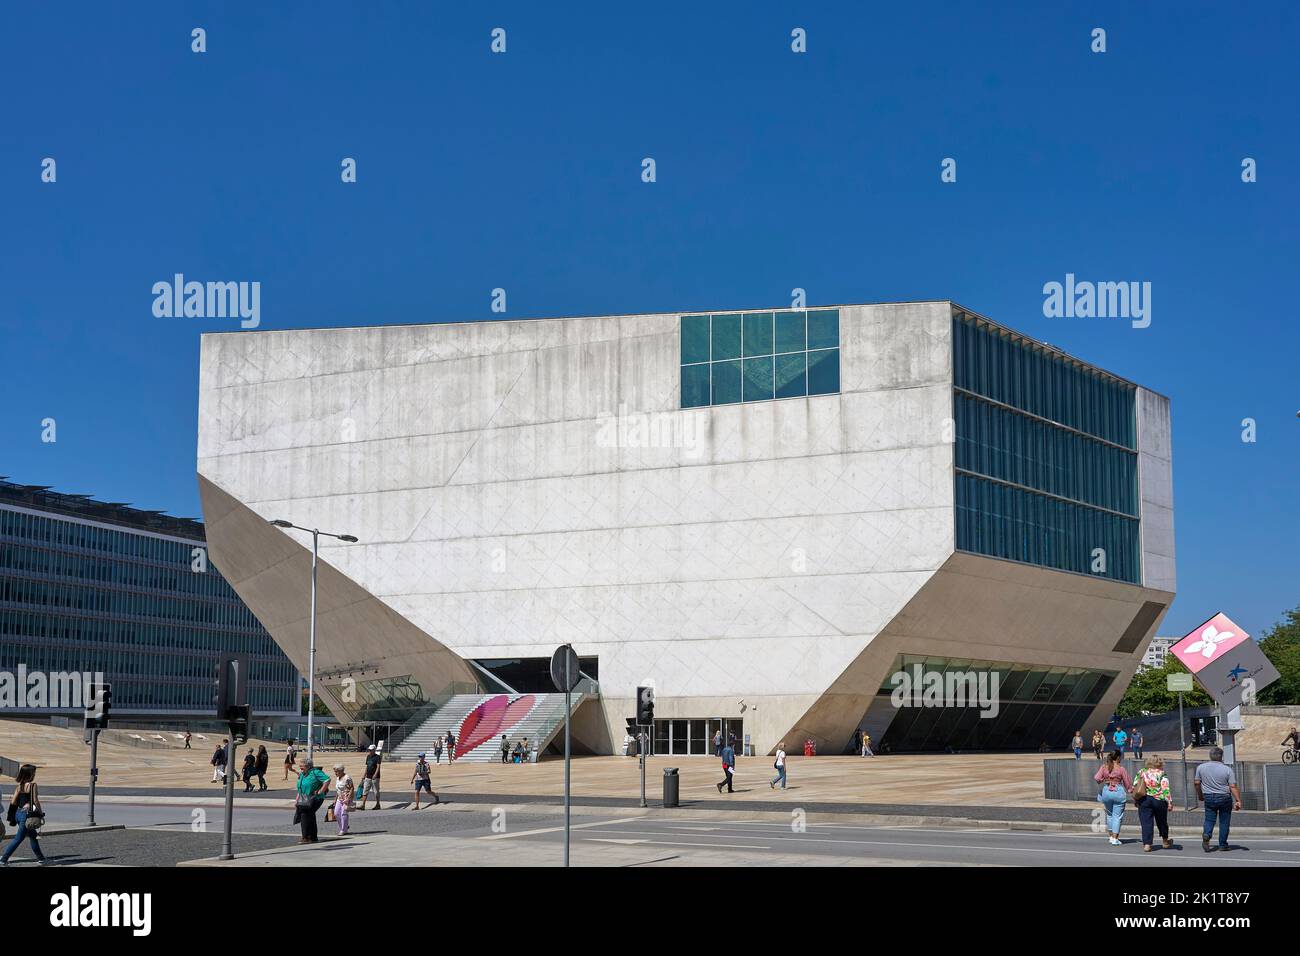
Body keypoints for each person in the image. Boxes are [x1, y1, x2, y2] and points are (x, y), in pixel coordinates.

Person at [1194, 746, 1242, 852]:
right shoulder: (1227, 769)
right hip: (1224, 797)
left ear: (1210, 756)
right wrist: (1238, 800)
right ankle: (1222, 844)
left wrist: (1200, 795)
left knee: (1209, 819)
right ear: (1221, 757)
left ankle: (1207, 834)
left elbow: (1197, 783)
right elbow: (1232, 786)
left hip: (1209, 796)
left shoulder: (1201, 768)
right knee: (1224, 822)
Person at [2, 764, 47, 866]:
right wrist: (40, 813)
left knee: (33, 836)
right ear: (30, 774)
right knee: (18, 838)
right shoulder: (32, 785)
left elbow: (13, 802)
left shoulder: (19, 786)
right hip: (28, 816)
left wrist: (12, 816)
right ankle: (3, 860)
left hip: (18, 814)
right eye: (34, 772)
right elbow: (35, 800)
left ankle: (41, 858)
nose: (35, 774)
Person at [1135, 755, 1174, 852]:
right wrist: (1169, 802)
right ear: (1159, 763)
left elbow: (1135, 786)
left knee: (1146, 822)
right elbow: (1165, 788)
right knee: (1162, 821)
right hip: (1159, 800)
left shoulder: (1142, 772)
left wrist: (1136, 800)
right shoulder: (1162, 774)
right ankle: (1165, 841)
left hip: (1144, 799)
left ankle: (1147, 844)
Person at [1094, 750, 1132, 845]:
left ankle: (1111, 836)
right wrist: (1131, 791)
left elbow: (1097, 778)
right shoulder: (1121, 769)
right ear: (1118, 757)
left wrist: (1105, 779)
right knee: (1117, 816)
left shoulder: (1104, 767)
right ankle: (1115, 838)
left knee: (1110, 815)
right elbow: (1127, 783)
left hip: (1106, 791)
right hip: (1117, 791)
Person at [292, 757, 331, 844]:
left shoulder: (315, 772)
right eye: (300, 765)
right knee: (310, 815)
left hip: (315, 798)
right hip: (304, 798)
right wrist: (297, 800)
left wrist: (321, 791)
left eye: (302, 765)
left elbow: (327, 779)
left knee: (305, 814)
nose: (300, 767)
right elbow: (300, 788)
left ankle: (306, 837)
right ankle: (313, 837)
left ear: (308, 766)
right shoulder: (302, 774)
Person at [358, 744, 382, 811]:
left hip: (375, 777)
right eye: (369, 750)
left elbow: (378, 766)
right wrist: (364, 775)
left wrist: (375, 774)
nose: (369, 751)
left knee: (376, 792)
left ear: (374, 750)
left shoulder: (377, 757)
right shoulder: (368, 757)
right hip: (368, 777)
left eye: (371, 750)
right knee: (365, 791)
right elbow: (367, 767)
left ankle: (378, 804)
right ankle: (363, 805)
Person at [332, 764, 354, 835]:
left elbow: (352, 788)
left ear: (341, 771)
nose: (335, 773)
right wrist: (335, 799)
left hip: (346, 798)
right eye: (335, 771)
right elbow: (338, 790)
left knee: (343, 814)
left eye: (336, 771)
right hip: (339, 798)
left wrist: (348, 798)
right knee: (336, 813)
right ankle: (344, 826)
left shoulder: (347, 778)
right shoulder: (338, 778)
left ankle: (343, 830)